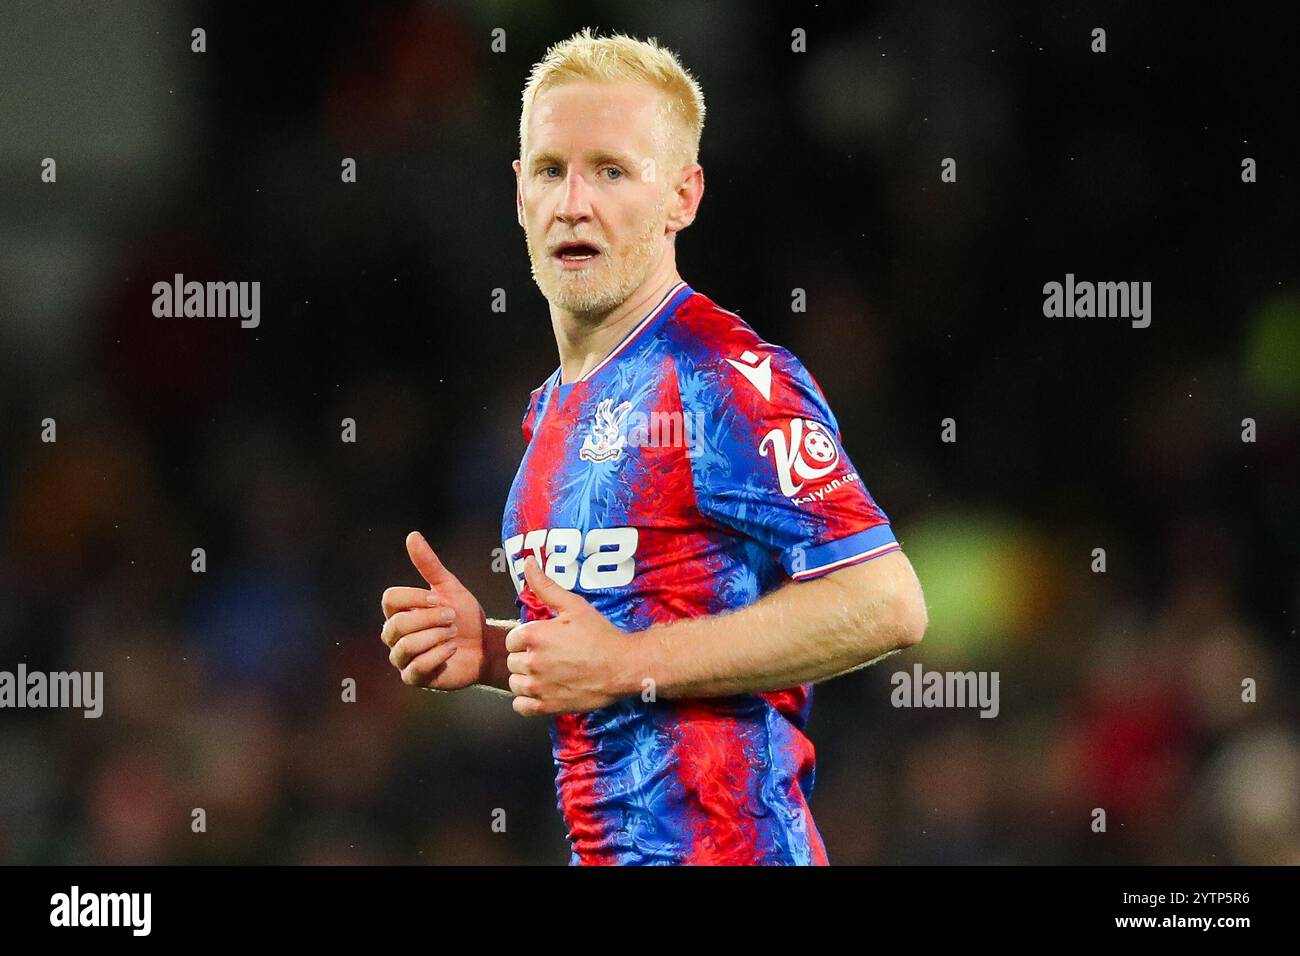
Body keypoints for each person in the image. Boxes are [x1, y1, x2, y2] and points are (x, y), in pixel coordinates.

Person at [380, 28, 927, 865]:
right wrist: (492, 651)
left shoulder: (721, 375)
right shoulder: (548, 411)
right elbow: (614, 650)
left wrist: (626, 663)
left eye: (612, 170)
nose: (575, 202)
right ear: (519, 190)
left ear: (682, 195)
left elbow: (886, 601)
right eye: (553, 170)